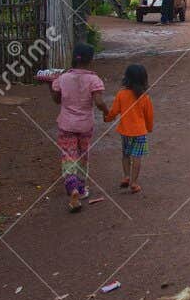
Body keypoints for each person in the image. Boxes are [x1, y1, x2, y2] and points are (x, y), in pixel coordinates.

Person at [51, 43, 108, 212]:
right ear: (90, 60)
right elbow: (98, 102)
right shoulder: (93, 79)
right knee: (83, 156)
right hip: (85, 125)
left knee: (68, 156)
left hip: (66, 124)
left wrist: (50, 86)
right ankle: (81, 189)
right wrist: (106, 111)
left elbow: (56, 100)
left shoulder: (62, 78)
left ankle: (72, 188)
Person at [105, 63, 155, 194]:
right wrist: (149, 128)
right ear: (144, 79)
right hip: (140, 132)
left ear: (126, 78)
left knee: (125, 154)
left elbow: (114, 111)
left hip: (125, 131)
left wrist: (107, 118)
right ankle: (134, 182)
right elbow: (149, 116)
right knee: (137, 157)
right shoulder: (145, 97)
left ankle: (126, 176)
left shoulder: (121, 94)